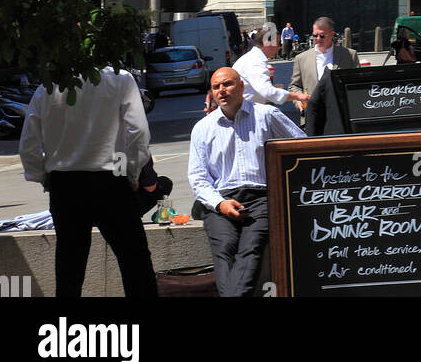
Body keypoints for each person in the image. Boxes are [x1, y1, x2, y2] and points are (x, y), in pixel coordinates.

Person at [20, 66, 158, 298]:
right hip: (111, 180)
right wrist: (131, 173)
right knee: (136, 263)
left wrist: (46, 178)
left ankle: (64, 332)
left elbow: (28, 146)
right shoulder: (119, 79)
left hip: (65, 185)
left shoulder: (47, 87)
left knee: (69, 268)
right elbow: (138, 134)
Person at [188, 68, 305, 296]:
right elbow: (198, 177)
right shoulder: (203, 128)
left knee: (251, 247)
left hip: (261, 197)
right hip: (219, 199)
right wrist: (220, 203)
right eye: (215, 87)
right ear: (211, 93)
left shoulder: (266, 115)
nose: (222, 90)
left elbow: (300, 145)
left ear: (241, 87)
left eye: (228, 84)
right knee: (224, 247)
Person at [233, 26, 309, 110]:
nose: (279, 47)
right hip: (245, 112)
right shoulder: (254, 61)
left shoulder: (253, 58)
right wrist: (298, 96)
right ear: (267, 43)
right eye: (277, 43)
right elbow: (268, 91)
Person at [290, 16, 360, 103]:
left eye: (322, 36)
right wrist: (299, 100)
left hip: (340, 111)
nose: (318, 39)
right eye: (315, 35)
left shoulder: (349, 55)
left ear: (331, 34)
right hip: (312, 111)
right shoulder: (301, 59)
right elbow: (294, 86)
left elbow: (357, 84)